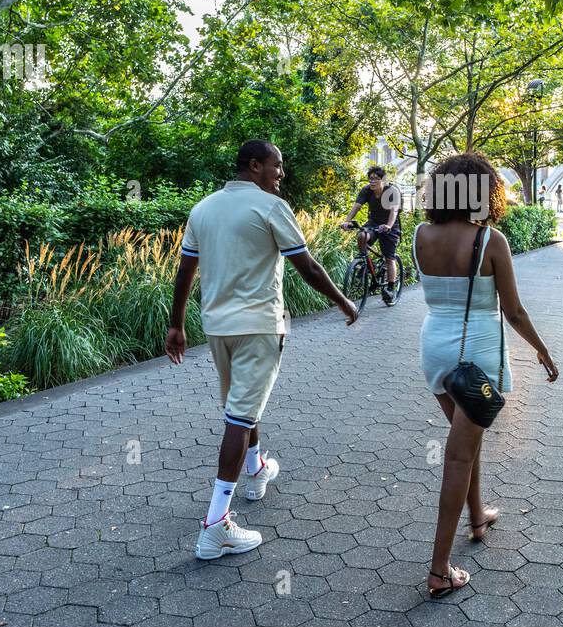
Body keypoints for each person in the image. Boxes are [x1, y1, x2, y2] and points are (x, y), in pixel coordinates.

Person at [165, 140, 358, 560]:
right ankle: (216, 526)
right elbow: (306, 265)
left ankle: (254, 471)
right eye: (277, 166)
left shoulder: (203, 208)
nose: (281, 174)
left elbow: (185, 270)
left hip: (217, 328)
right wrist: (343, 301)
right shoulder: (271, 207)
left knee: (242, 405)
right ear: (254, 165)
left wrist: (176, 324)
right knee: (239, 416)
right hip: (259, 327)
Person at [412, 152, 559, 598]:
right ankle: (439, 571)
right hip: (478, 352)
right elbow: (512, 311)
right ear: (483, 191)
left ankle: (477, 519)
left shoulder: (420, 235)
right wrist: (541, 348)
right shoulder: (490, 240)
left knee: (465, 443)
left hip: (435, 347)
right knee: (459, 455)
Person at [341, 166, 402, 303]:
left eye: (376, 179)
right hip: (373, 222)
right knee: (362, 235)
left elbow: (394, 211)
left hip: (389, 225)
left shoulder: (392, 191)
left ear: (383, 180)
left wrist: (388, 226)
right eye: (371, 179)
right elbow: (357, 206)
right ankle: (364, 261)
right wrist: (346, 221)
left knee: (389, 258)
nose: (372, 181)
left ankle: (391, 288)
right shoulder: (366, 190)